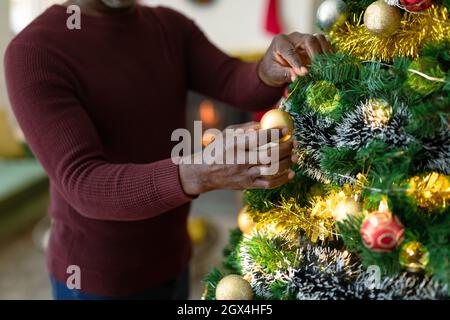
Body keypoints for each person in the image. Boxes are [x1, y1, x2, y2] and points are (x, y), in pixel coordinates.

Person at [4, 0, 333, 299]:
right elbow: (84, 183)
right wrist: (202, 171)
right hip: (96, 278)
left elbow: (232, 79)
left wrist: (268, 68)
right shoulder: (34, 52)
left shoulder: (168, 26)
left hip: (174, 257)